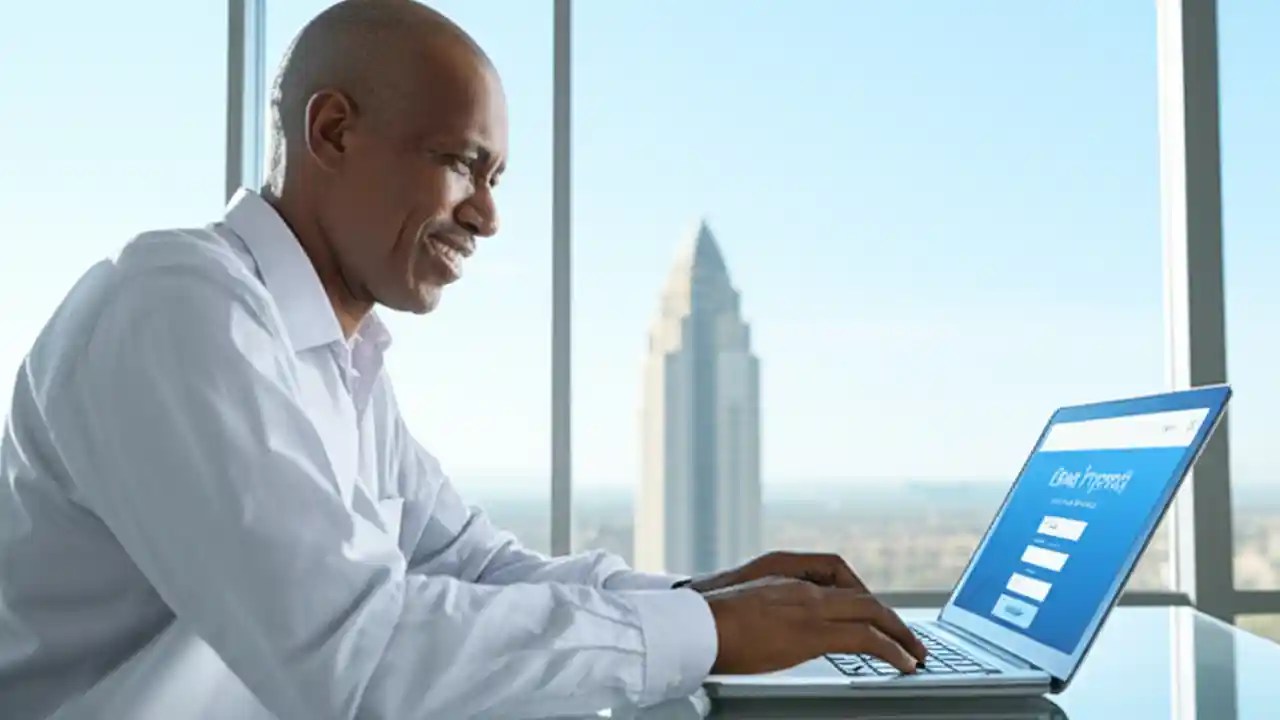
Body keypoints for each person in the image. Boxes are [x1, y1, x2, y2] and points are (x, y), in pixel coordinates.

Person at [0, 1, 926, 717]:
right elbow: (354, 660)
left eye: (496, 179)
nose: (487, 214)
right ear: (331, 133)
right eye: (460, 164)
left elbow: (470, 567)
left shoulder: (337, 360)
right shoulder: (177, 310)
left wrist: (702, 596)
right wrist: (708, 633)